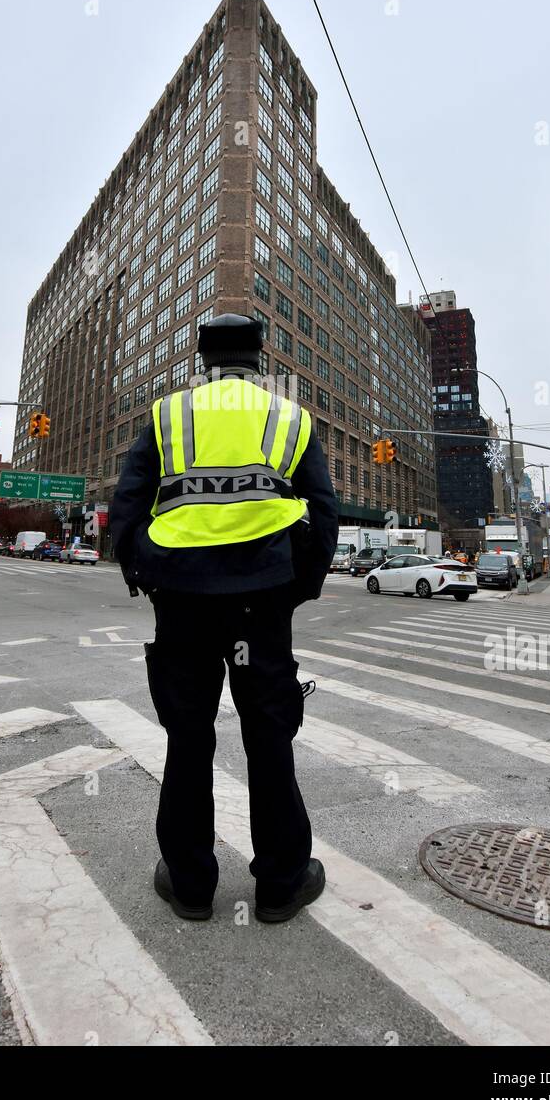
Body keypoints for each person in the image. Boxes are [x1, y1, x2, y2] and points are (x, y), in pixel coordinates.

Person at [110, 313, 339, 924]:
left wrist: (142, 573)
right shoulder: (289, 417)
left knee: (188, 737)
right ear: (260, 359)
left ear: (202, 361)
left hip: (182, 594)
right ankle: (281, 885)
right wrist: (301, 587)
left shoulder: (169, 415)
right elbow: (324, 512)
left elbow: (126, 506)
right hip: (261, 598)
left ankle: (190, 884)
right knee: (269, 737)